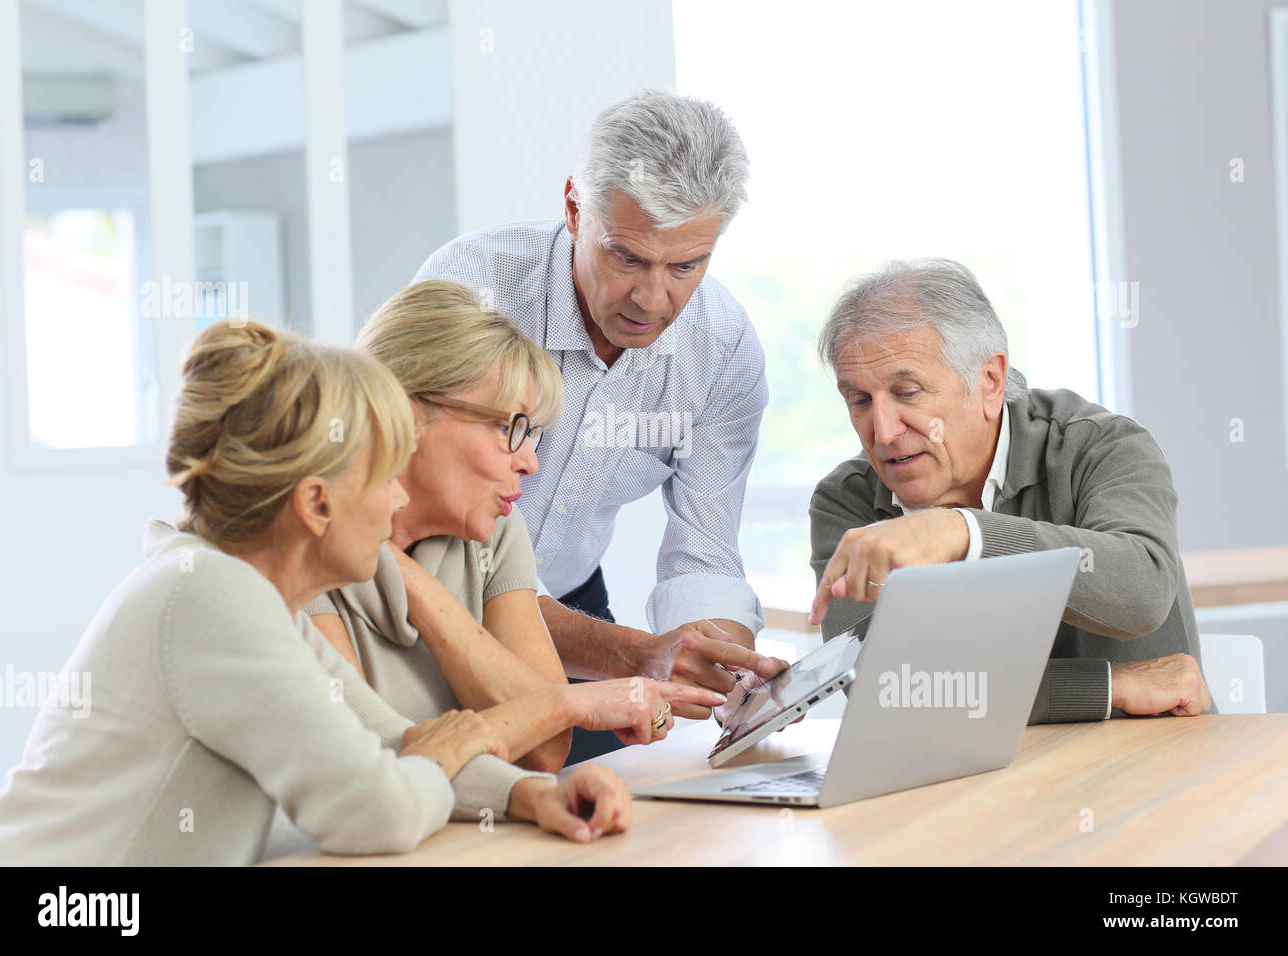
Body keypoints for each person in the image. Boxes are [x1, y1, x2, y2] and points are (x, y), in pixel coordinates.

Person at [0, 321, 629, 866]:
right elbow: (378, 809)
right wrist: (444, 755)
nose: (399, 499)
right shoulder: (213, 598)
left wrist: (527, 797)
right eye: (384, 479)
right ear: (317, 504)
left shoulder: (251, 595)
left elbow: (383, 741)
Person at [413, 88, 786, 760]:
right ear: (573, 209)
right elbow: (434, 543)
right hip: (431, 592)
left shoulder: (723, 349)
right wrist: (635, 655)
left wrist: (716, 664)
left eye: (685, 266)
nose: (652, 298)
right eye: (627, 258)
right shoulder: (473, 292)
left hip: (573, 602)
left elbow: (704, 547)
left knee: (600, 804)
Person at [306, 280, 728, 773]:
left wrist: (409, 578)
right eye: (510, 427)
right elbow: (366, 767)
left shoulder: (496, 533)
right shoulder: (303, 549)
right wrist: (559, 710)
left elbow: (546, 750)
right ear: (407, 413)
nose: (529, 461)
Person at [808, 259, 1212, 723]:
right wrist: (1108, 687)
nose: (882, 430)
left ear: (990, 381)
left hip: (1151, 767)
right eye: (859, 400)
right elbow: (888, 690)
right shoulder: (847, 501)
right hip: (972, 779)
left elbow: (1142, 592)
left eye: (908, 392)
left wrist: (965, 533)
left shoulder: (1101, 446)